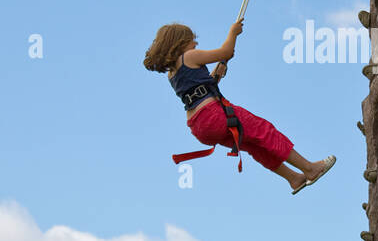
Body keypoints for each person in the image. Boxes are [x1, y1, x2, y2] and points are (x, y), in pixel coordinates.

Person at [143, 21, 335, 194]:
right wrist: (233, 33)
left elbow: (197, 90)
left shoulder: (173, 73)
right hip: (214, 116)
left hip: (199, 127)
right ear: (180, 42)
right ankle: (309, 168)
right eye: (192, 40)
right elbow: (226, 51)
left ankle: (294, 178)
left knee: (254, 145)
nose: (195, 44)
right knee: (264, 131)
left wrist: (214, 77)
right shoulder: (190, 56)